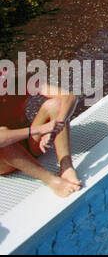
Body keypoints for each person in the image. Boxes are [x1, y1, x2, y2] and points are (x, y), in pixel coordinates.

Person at [0, 59, 82, 197]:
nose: (3, 74)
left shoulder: (21, 81)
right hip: (4, 160)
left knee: (56, 105)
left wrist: (55, 127)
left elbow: (69, 97)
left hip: (29, 144)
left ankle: (66, 166)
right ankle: (52, 181)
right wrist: (41, 129)